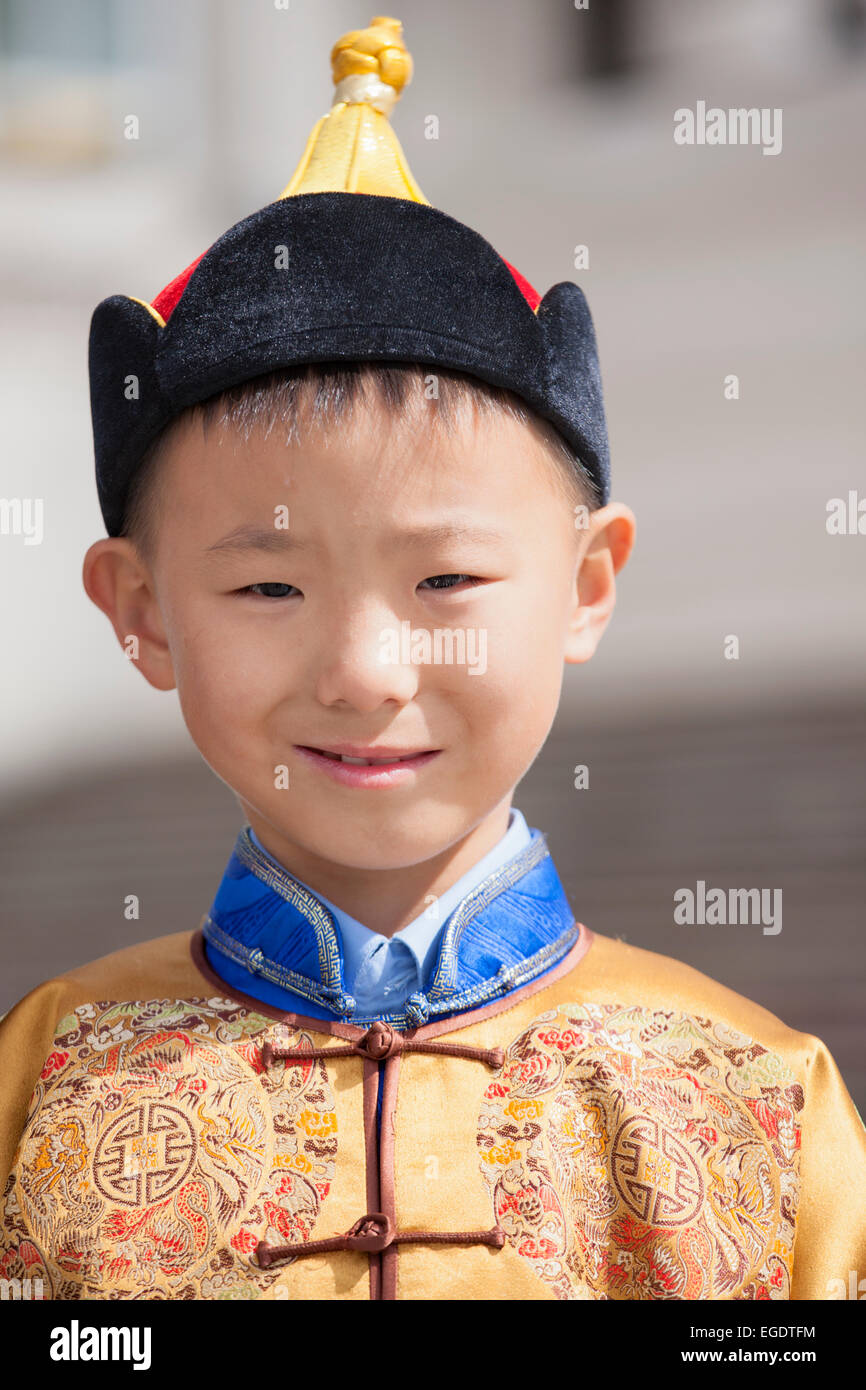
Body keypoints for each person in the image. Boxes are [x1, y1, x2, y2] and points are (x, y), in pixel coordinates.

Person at [1, 15, 864, 1302]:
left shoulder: (751, 1088)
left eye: (446, 579)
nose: (364, 670)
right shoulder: (47, 1081)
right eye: (268, 585)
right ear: (141, 613)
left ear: (585, 584)